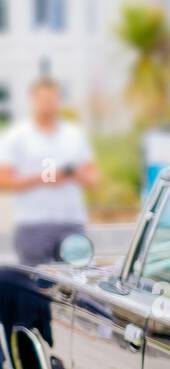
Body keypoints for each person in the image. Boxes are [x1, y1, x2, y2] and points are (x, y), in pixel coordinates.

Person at [0, 77, 99, 265]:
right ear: (32, 100)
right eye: (43, 99)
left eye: (52, 99)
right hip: (33, 224)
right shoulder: (17, 136)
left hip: (71, 222)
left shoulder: (74, 135)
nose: (48, 104)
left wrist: (77, 175)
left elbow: (94, 178)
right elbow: (2, 180)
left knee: (75, 287)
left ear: (59, 99)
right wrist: (41, 179)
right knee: (35, 286)